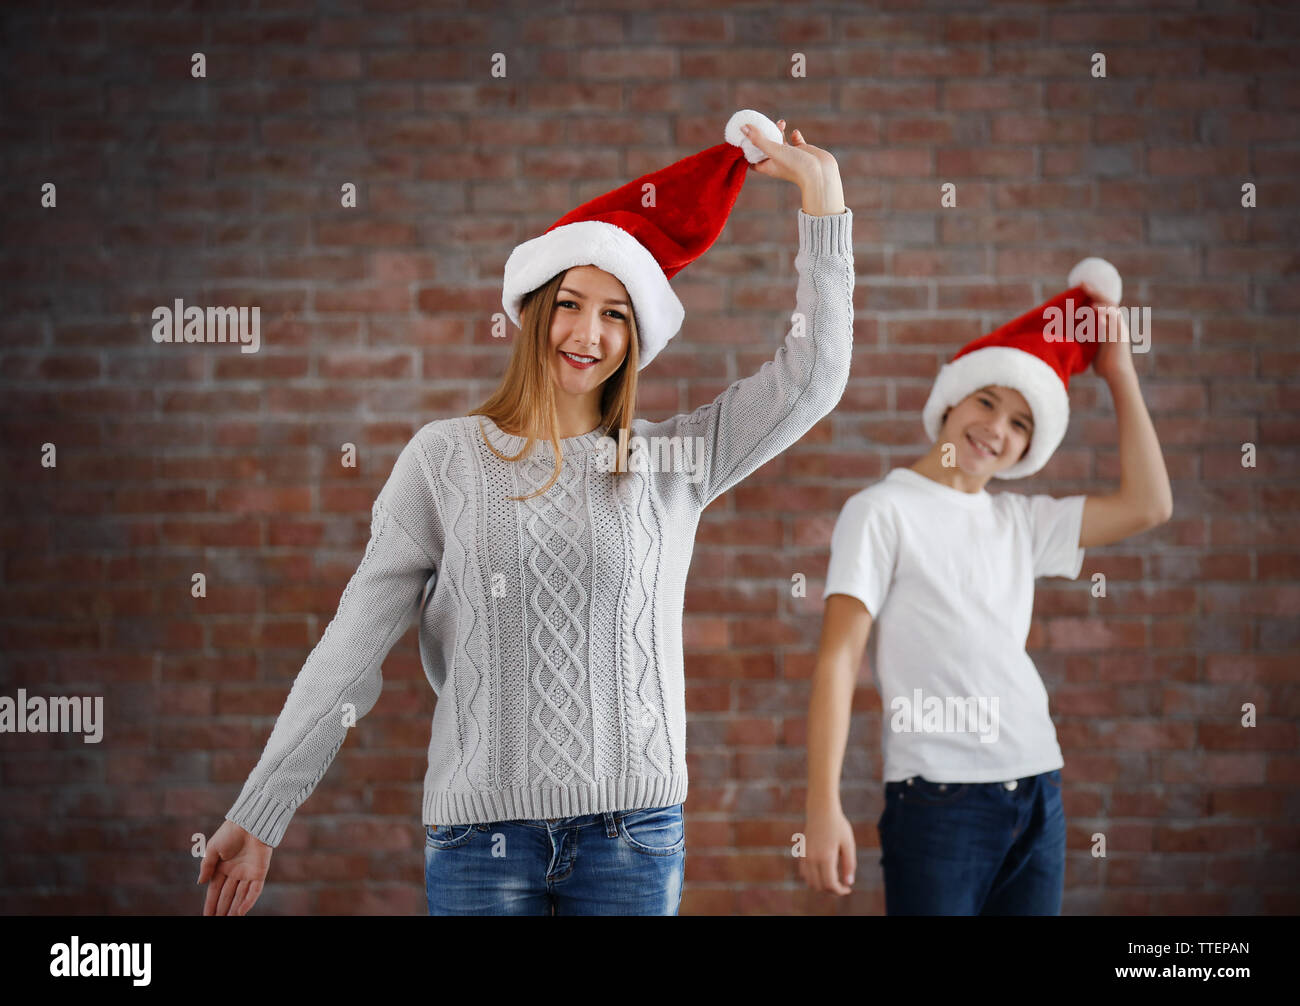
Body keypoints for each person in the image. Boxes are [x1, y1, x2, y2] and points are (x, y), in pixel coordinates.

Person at [198, 110, 855, 915]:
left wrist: (821, 197)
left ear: (638, 336)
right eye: (572, 303)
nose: (588, 332)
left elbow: (814, 377)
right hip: (482, 844)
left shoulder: (668, 462)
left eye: (616, 313)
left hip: (632, 839)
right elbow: (353, 645)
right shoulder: (444, 460)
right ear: (534, 310)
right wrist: (263, 809)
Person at [801, 261, 1173, 915]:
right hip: (940, 802)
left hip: (1037, 789)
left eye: (1021, 422)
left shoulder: (1021, 522)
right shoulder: (883, 509)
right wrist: (821, 803)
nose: (996, 428)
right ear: (951, 401)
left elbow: (1150, 504)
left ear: (1029, 447)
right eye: (987, 401)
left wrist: (1117, 372)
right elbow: (838, 659)